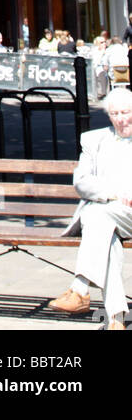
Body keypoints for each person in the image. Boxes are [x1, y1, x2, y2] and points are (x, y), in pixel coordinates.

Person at [49, 88, 132, 329]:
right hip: (108, 212)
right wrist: (112, 194)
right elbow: (82, 182)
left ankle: (80, 290)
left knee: (95, 215)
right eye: (115, 113)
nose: (121, 118)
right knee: (105, 236)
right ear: (108, 115)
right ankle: (116, 319)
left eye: (126, 112)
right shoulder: (94, 140)